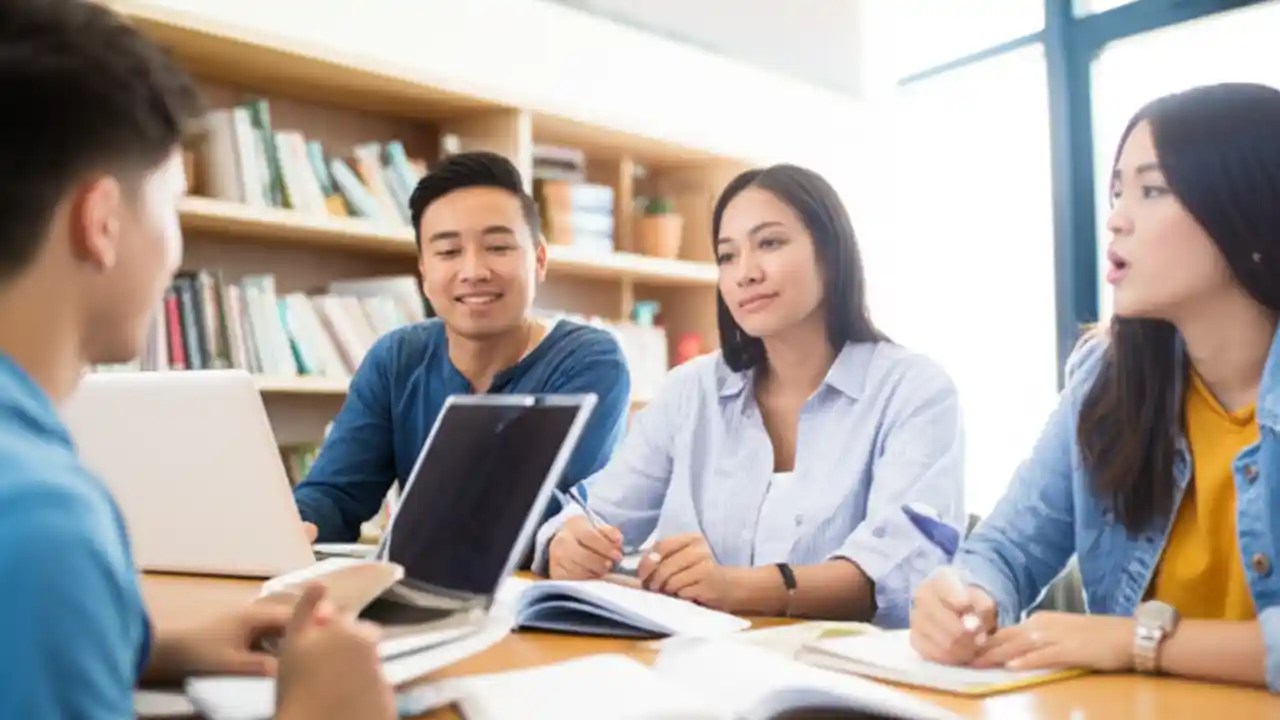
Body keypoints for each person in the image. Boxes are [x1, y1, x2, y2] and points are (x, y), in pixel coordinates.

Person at [0, 2, 394, 717]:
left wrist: (147, 643)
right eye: (174, 205)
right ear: (103, 222)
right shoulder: (41, 520)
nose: (177, 245)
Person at [909, 82, 1280, 691]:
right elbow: (1007, 548)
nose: (1116, 218)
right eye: (1116, 191)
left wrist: (1135, 640)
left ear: (1253, 215)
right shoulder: (1103, 378)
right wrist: (965, 597)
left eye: (1152, 189)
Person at [534, 164, 965, 627]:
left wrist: (735, 587)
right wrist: (569, 541)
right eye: (726, 255)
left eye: (770, 243)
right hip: (705, 670)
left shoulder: (915, 390)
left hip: (857, 681)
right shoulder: (689, 391)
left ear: (831, 252)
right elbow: (595, 514)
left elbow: (898, 575)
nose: (745, 273)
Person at [293, 152, 631, 544]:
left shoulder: (589, 360)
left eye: (498, 247)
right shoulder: (396, 359)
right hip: (422, 587)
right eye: (449, 252)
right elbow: (335, 493)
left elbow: (553, 516)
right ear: (423, 271)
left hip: (533, 593)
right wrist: (301, 525)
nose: (473, 272)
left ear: (539, 259)